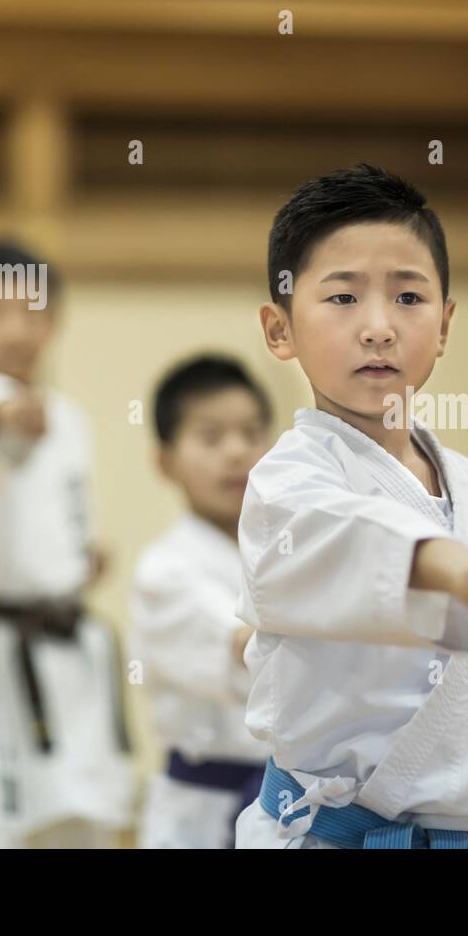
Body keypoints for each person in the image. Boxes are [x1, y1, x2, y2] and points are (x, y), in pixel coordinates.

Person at [232, 163, 468, 849]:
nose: (379, 327)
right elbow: (351, 539)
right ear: (279, 329)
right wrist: (450, 568)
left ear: (444, 326)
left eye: (409, 298)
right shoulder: (285, 483)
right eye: (344, 298)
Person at [0, 238, 134, 848]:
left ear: (55, 318)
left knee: (72, 824)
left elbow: (47, 514)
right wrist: (10, 417)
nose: (15, 330)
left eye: (31, 312)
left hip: (59, 642)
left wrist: (72, 564)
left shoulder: (68, 417)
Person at [131, 354, 273, 848]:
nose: (237, 452)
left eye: (252, 433)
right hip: (200, 812)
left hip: (290, 809)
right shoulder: (164, 570)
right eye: (211, 438)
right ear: (164, 461)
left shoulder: (289, 555)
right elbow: (247, 648)